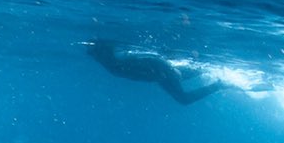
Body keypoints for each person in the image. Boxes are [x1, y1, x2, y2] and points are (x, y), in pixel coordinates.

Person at [85, 40, 229, 105]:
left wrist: (166, 70)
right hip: (158, 73)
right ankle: (211, 73)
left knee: (183, 97)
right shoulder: (114, 66)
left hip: (159, 72)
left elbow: (144, 62)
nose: (93, 57)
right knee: (182, 82)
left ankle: (217, 83)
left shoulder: (114, 67)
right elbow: (141, 62)